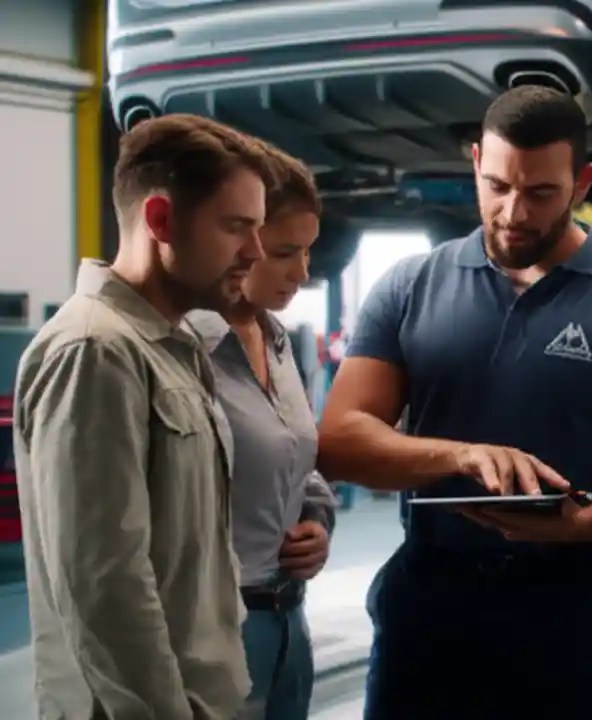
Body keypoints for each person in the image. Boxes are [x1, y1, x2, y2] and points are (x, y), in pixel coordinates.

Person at [317, 84, 592, 719]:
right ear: (475, 162)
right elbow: (339, 440)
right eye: (497, 185)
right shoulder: (410, 287)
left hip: (568, 613)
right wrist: (462, 456)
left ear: (582, 183)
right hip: (427, 605)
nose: (513, 212)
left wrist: (580, 526)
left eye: (541, 193)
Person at [13, 113, 273, 719]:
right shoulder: (95, 351)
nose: (255, 252)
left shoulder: (174, 346)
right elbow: (104, 586)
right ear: (160, 220)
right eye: (236, 227)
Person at [187, 146, 337, 719]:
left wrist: (317, 521)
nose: (302, 273)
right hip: (217, 629)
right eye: (284, 253)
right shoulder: (181, 350)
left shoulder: (277, 342)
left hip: (287, 622)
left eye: (308, 251)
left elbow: (300, 460)